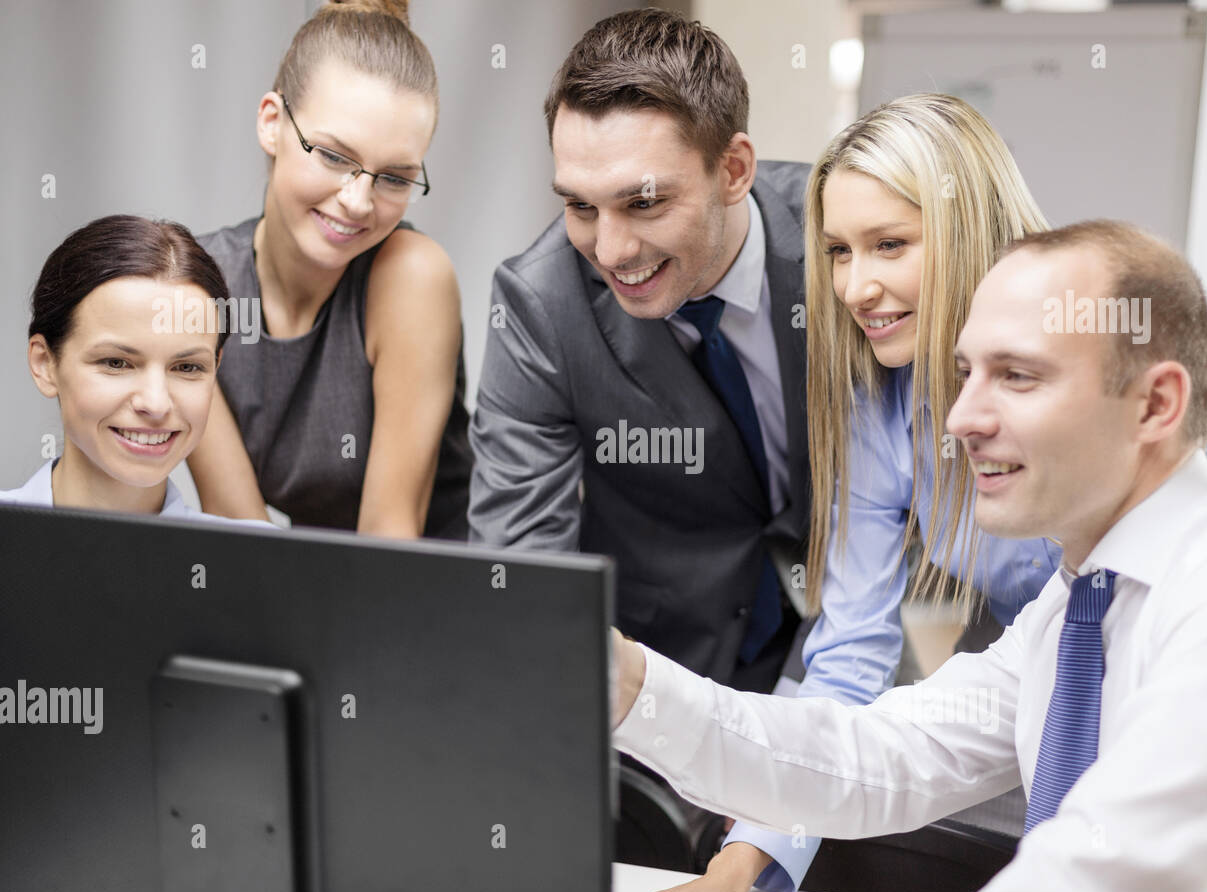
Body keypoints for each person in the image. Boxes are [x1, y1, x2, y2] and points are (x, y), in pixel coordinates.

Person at [611, 220, 1207, 892]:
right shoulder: (1073, 609)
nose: (961, 419)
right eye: (967, 373)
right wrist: (631, 686)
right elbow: (870, 760)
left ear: (1155, 403)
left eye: (1018, 376)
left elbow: (1110, 871)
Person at [469, 8, 810, 692]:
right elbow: (523, 572)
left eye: (645, 203)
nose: (611, 252)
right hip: (657, 671)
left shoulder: (842, 242)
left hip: (849, 638)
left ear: (733, 168)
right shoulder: (540, 305)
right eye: (581, 207)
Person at [189, 0, 473, 539]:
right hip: (314, 594)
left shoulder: (411, 276)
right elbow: (241, 535)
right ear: (272, 123)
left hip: (447, 597)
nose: (359, 201)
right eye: (334, 156)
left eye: (393, 178)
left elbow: (388, 539)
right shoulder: (201, 293)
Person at [4, 213, 263, 526]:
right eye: (117, 363)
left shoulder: (259, 565)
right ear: (45, 364)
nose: (155, 404)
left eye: (186, 367)